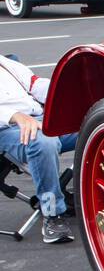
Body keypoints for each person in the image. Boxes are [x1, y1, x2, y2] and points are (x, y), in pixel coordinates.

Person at [0, 55, 77, 244]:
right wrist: (14, 116)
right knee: (42, 142)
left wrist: (75, 92)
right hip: (8, 129)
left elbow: (35, 85)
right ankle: (53, 215)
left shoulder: (5, 62)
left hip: (41, 119)